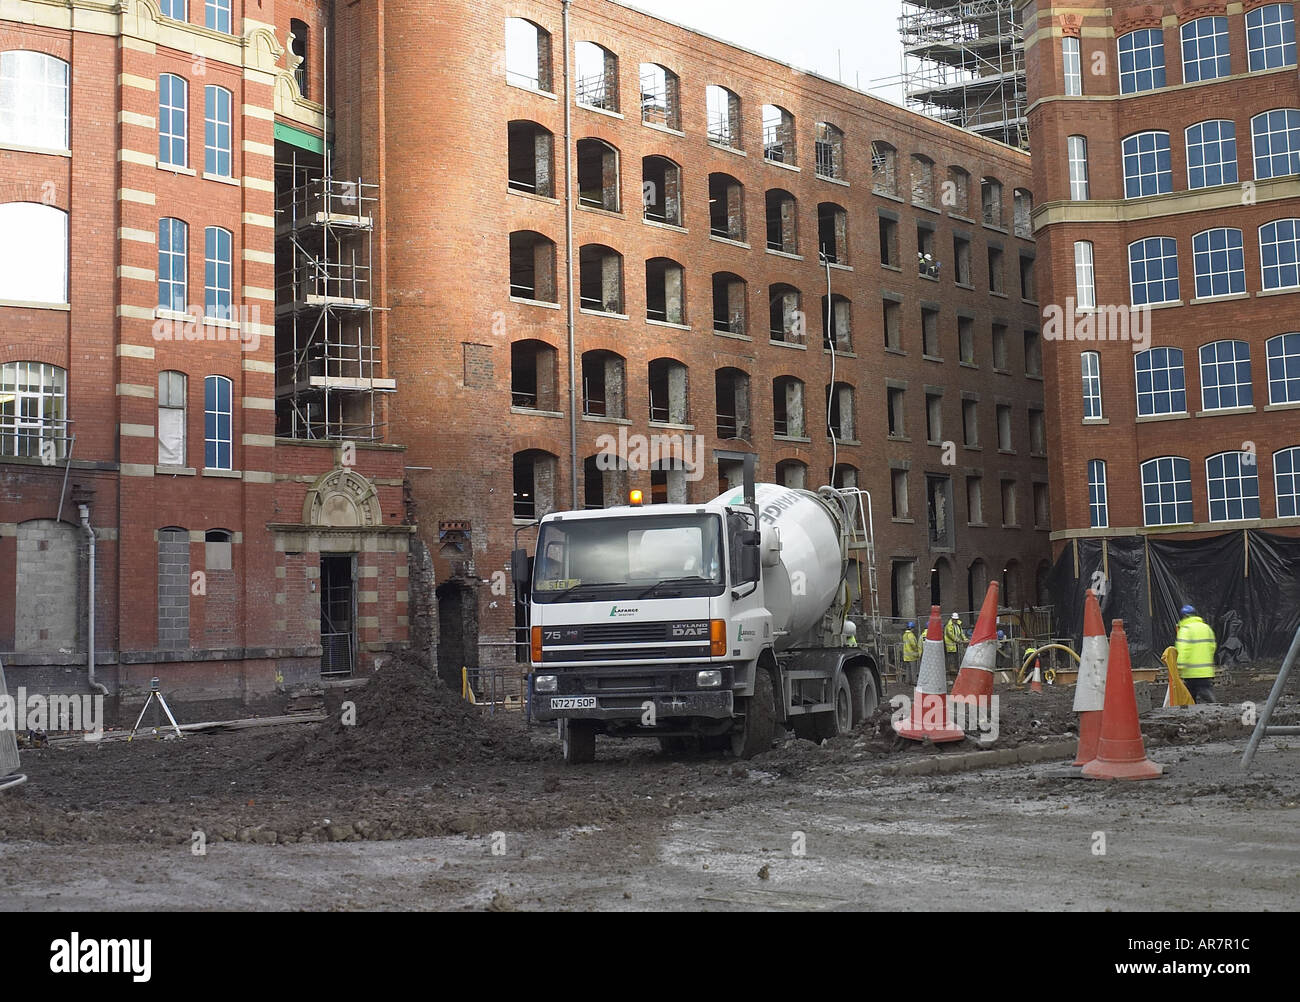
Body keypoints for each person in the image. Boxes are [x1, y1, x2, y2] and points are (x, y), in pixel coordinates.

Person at [1176, 604, 1218, 703]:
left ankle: (1213, 706)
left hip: (1191, 671)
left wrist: (1180, 667)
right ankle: (1212, 707)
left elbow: (1182, 649)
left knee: (1192, 695)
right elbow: (1212, 647)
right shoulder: (1206, 628)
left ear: (1184, 616)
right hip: (1206, 670)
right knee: (1201, 690)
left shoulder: (1185, 629)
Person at [943, 612, 967, 677]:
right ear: (952, 619)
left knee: (957, 658)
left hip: (957, 645)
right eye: (954, 619)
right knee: (951, 658)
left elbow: (961, 633)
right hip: (950, 646)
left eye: (956, 619)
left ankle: (957, 669)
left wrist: (965, 639)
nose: (955, 620)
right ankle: (951, 670)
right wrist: (959, 641)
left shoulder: (958, 625)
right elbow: (951, 635)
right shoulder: (949, 626)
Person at [901, 621, 920, 685]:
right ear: (912, 628)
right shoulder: (911, 635)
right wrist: (916, 650)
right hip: (911, 655)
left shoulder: (904, 635)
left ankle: (907, 681)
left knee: (908, 669)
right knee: (913, 670)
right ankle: (914, 682)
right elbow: (913, 644)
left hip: (906, 655)